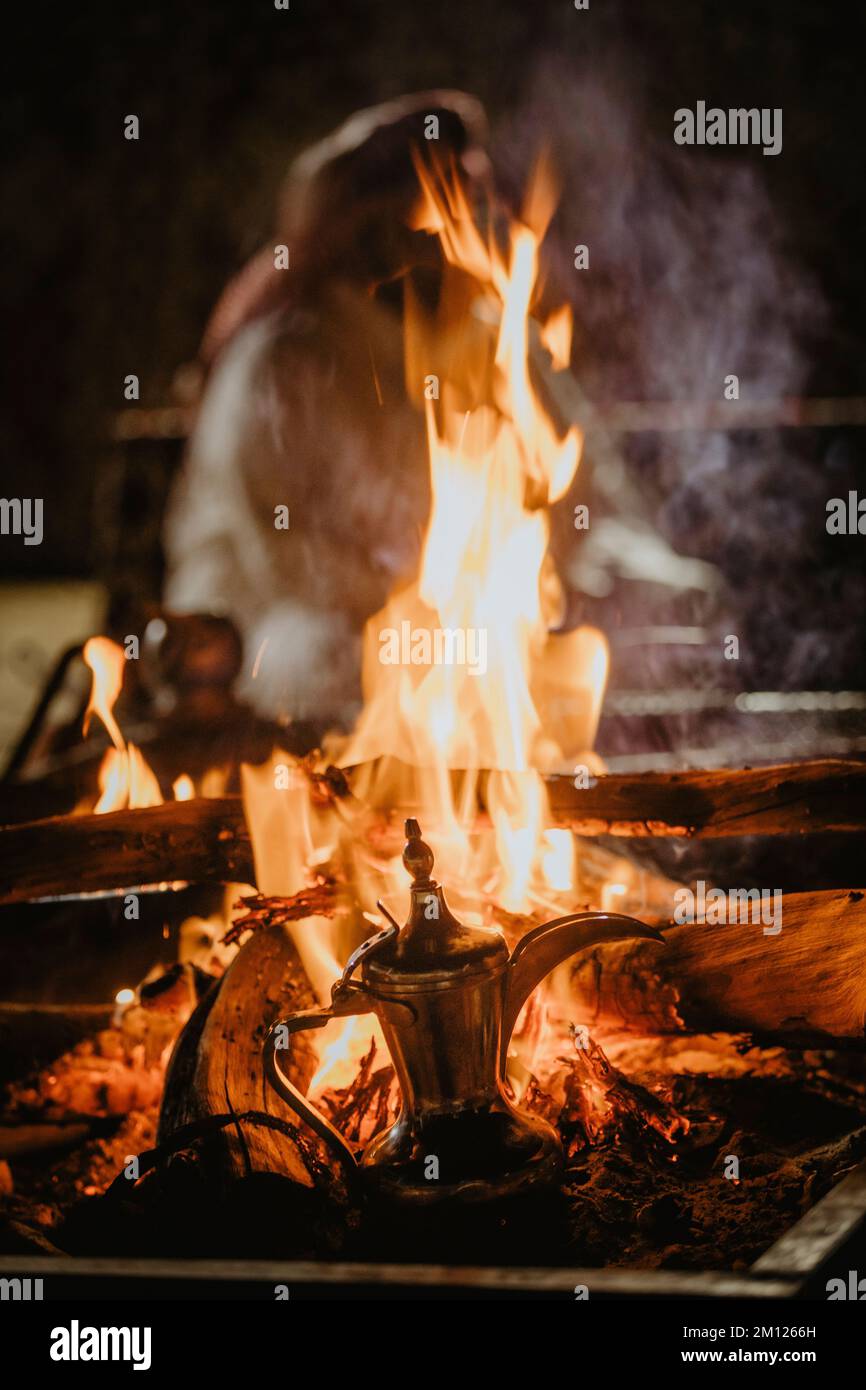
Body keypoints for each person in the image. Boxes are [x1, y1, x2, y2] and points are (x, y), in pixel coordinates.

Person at [163, 92, 491, 729]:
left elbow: (594, 507)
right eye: (438, 214)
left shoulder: (499, 349)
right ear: (372, 231)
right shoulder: (282, 365)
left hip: (458, 628)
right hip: (270, 638)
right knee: (324, 656)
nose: (464, 238)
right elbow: (290, 567)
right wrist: (437, 606)